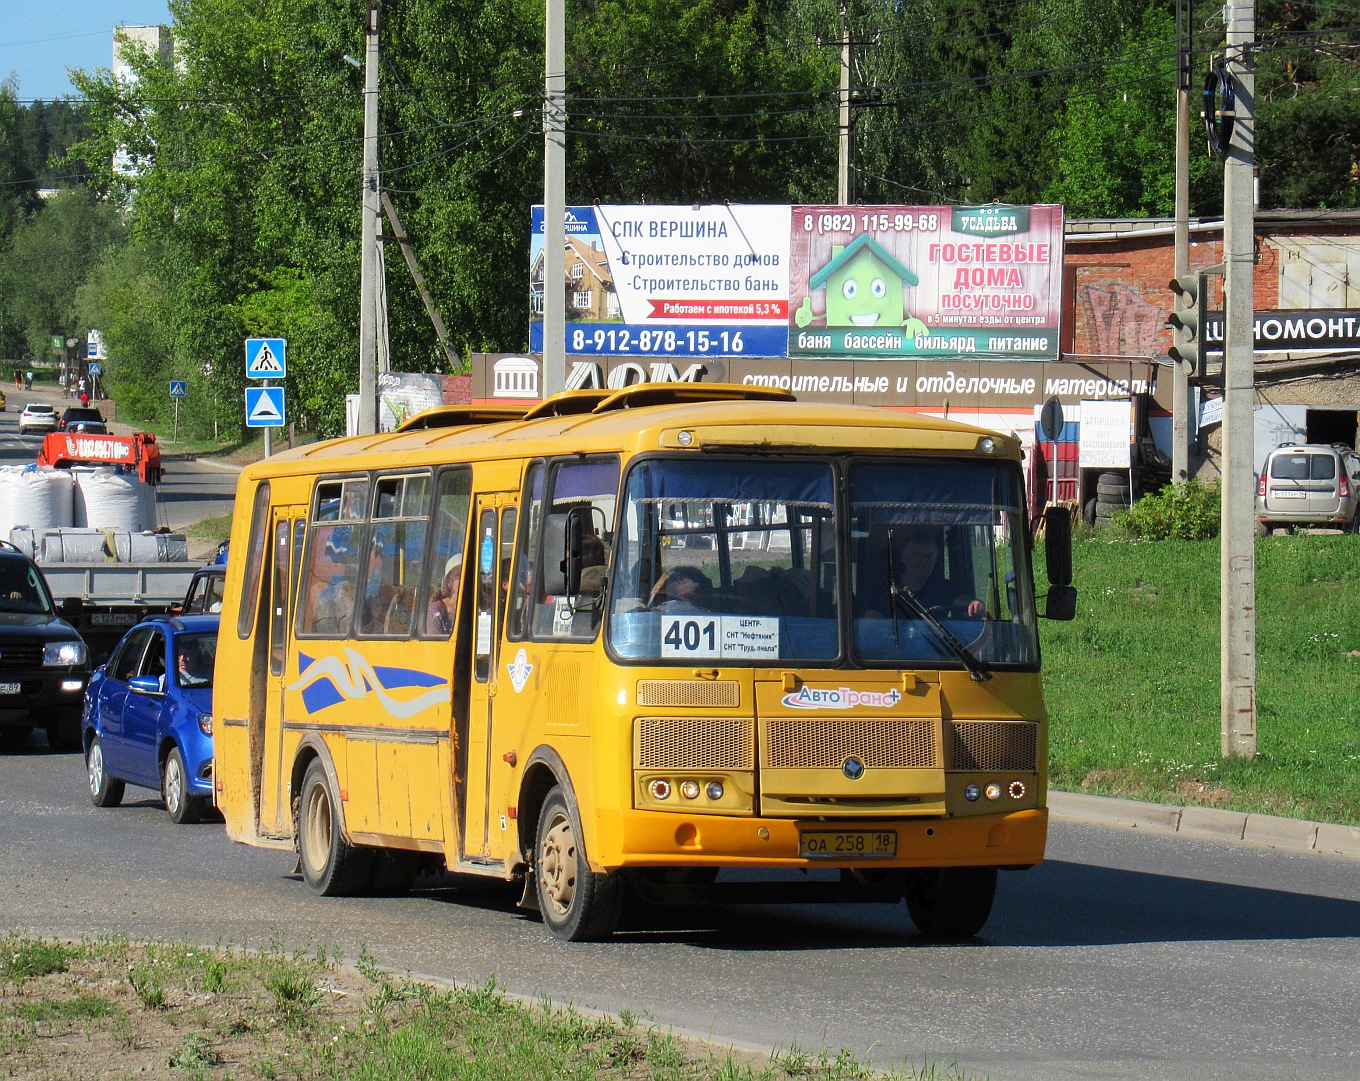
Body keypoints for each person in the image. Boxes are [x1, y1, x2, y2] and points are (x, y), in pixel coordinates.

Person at [880, 526, 985, 618]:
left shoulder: (944, 588)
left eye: (928, 556)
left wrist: (974, 605)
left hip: (939, 636)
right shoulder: (885, 589)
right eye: (916, 555)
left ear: (935, 560)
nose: (923, 562)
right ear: (903, 557)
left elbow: (963, 602)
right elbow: (874, 621)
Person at [425, 556, 461, 635]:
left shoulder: (480, 608)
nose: (463, 580)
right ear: (449, 581)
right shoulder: (436, 608)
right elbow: (434, 639)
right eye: (458, 576)